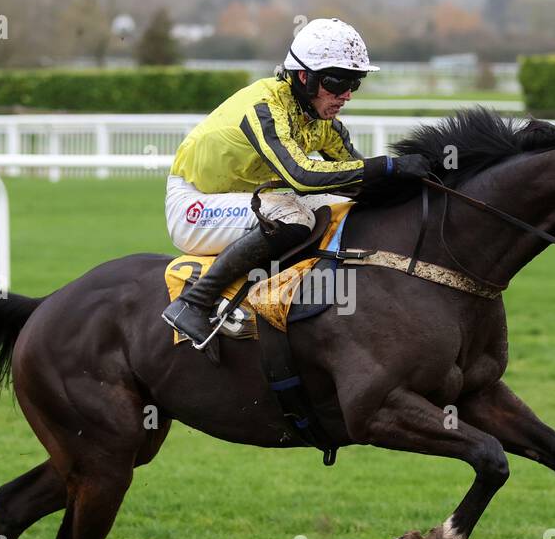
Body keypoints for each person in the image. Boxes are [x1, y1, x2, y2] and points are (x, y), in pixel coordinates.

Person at [161, 17, 432, 349]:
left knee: (341, 209)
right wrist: (388, 165)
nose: (346, 95)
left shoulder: (321, 121)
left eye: (354, 84)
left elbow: (358, 182)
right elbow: (301, 177)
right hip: (194, 204)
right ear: (305, 77)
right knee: (295, 216)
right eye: (337, 83)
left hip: (246, 199)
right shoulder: (264, 108)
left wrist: (421, 181)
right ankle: (195, 302)